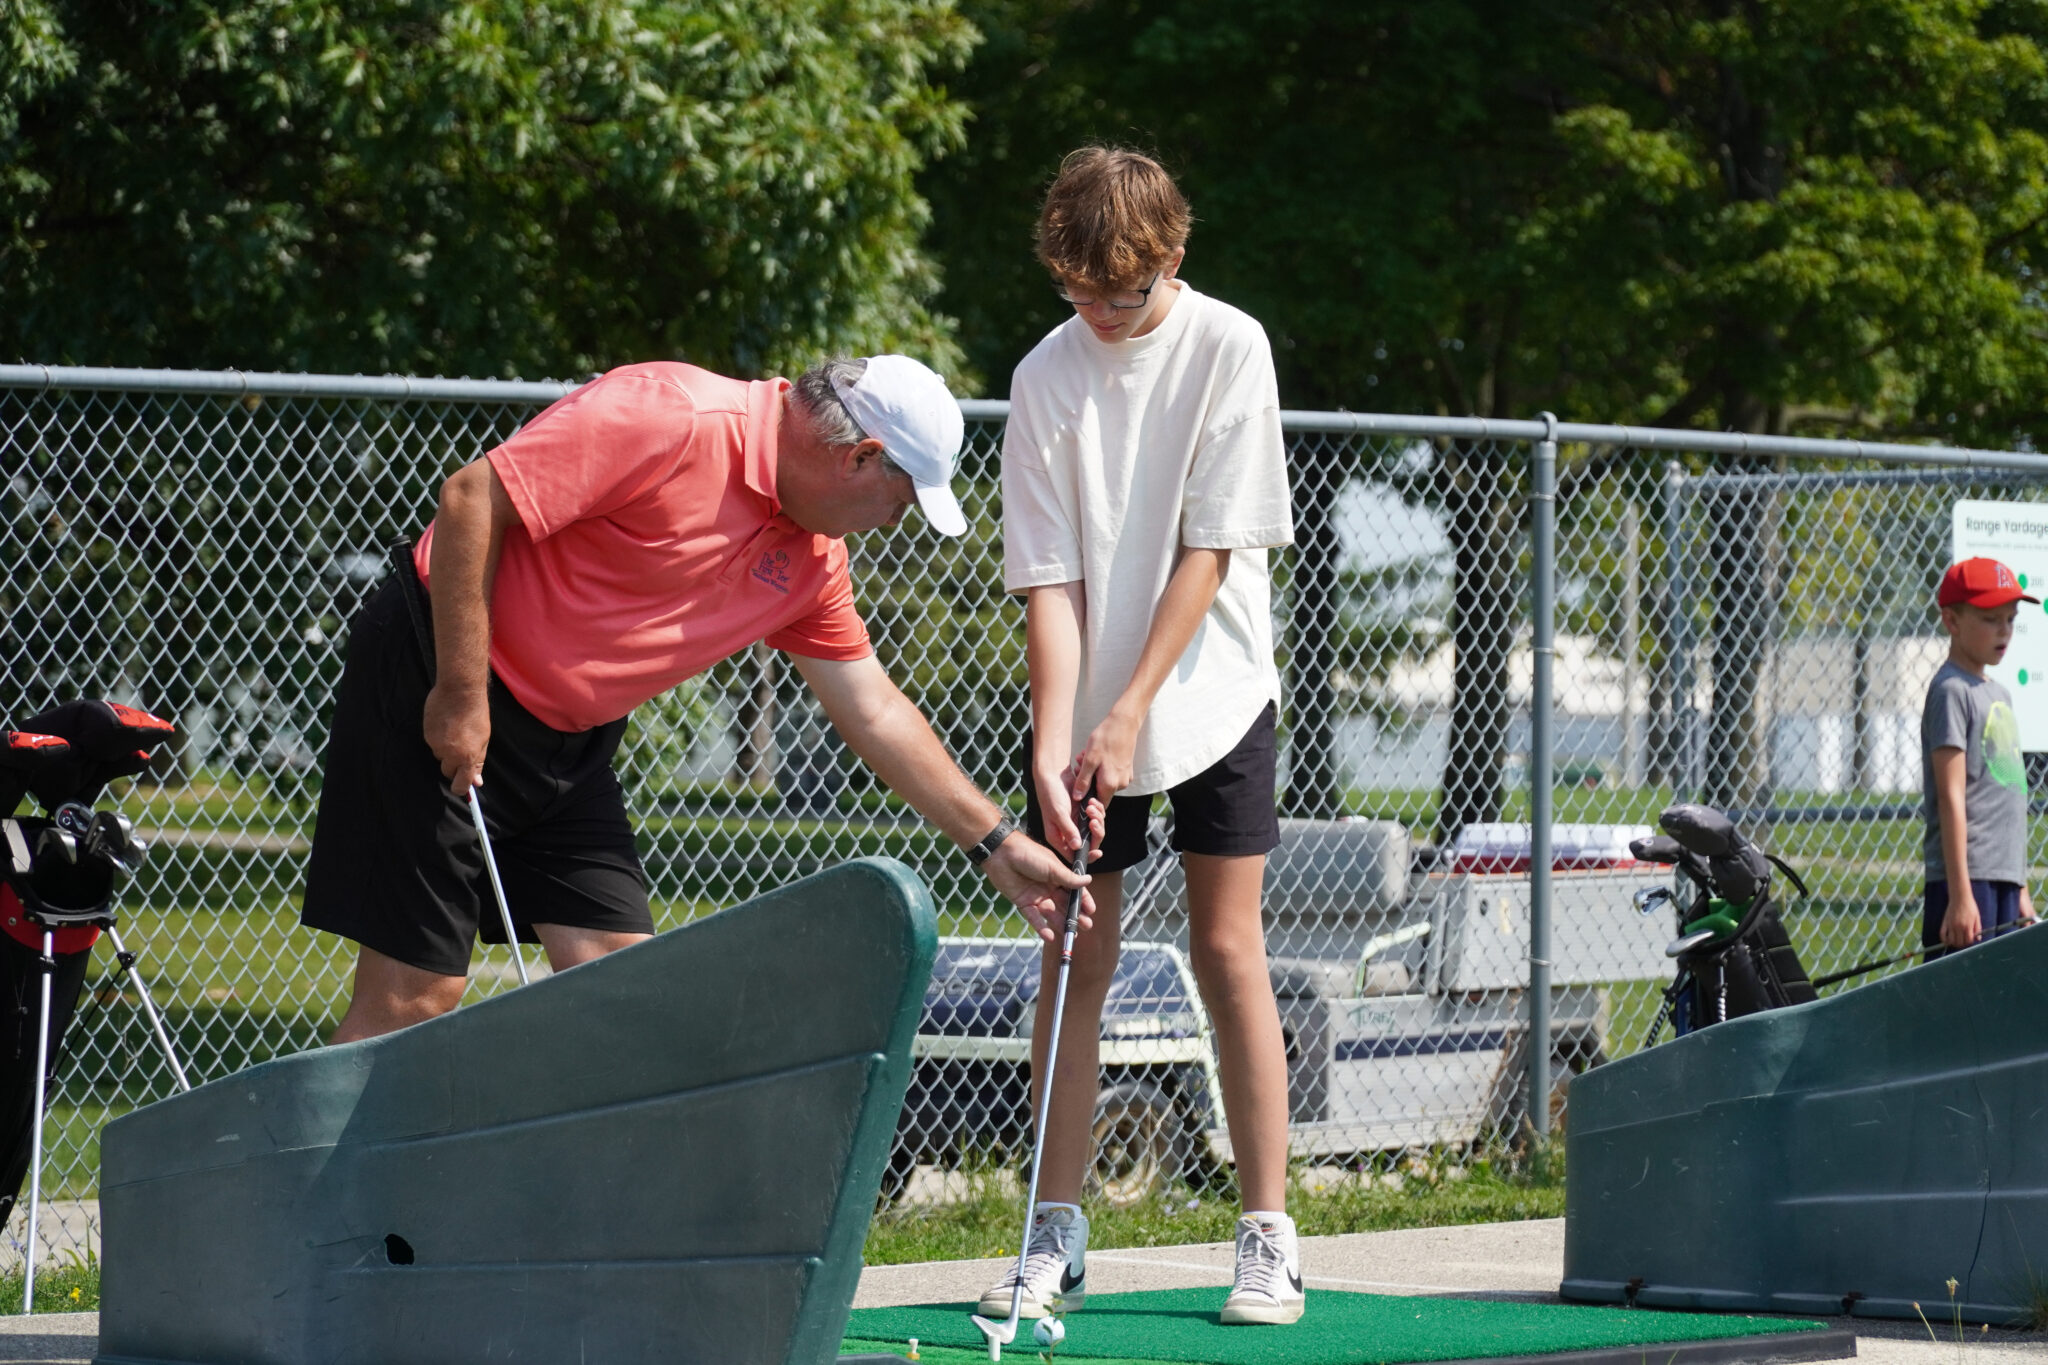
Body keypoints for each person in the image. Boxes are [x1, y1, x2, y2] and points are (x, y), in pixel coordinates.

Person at [303, 355, 1096, 1043]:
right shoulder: (674, 415)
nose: (893, 522)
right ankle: (280, 1197)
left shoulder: (815, 561)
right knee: (415, 1001)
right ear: (861, 457)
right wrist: (459, 689)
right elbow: (473, 499)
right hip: (436, 670)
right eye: (901, 499)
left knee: (626, 994)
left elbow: (873, 709)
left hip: (568, 736)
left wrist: (995, 841)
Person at [980, 146, 1302, 1327]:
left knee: (1226, 952)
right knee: (1070, 959)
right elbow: (1052, 584)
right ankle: (1050, 1233)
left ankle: (1267, 1239)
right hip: (1090, 719)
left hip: (1213, 688)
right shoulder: (1041, 375)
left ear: (1170, 256)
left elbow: (1206, 551)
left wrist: (1127, 716)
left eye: (1116, 293)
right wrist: (1054, 741)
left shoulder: (1229, 345)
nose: (1096, 315)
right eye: (1074, 292)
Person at [1921, 556, 2039, 962]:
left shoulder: (2000, 694)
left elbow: (2007, 799)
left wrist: (2020, 888)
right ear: (1952, 621)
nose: (2004, 631)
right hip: (1968, 885)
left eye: (2010, 619)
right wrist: (1960, 896)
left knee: (1997, 1009)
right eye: (1991, 619)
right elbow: (1951, 797)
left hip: (2002, 880)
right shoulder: (1951, 691)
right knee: (1959, 1014)